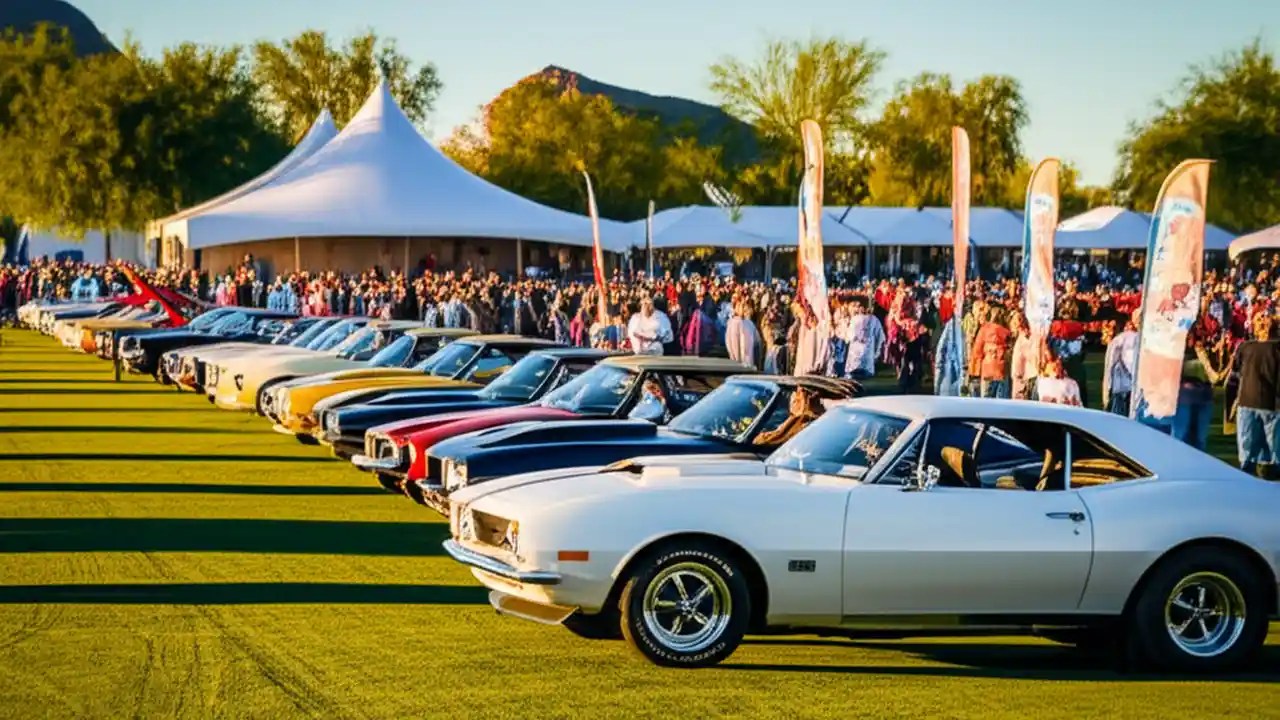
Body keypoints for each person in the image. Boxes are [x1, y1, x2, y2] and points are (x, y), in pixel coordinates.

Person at [1102, 317, 1140, 415]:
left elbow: (1111, 363)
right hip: (1133, 384)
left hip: (1120, 385)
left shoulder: (1118, 339)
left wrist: (1108, 386)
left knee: (1118, 413)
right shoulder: (1139, 337)